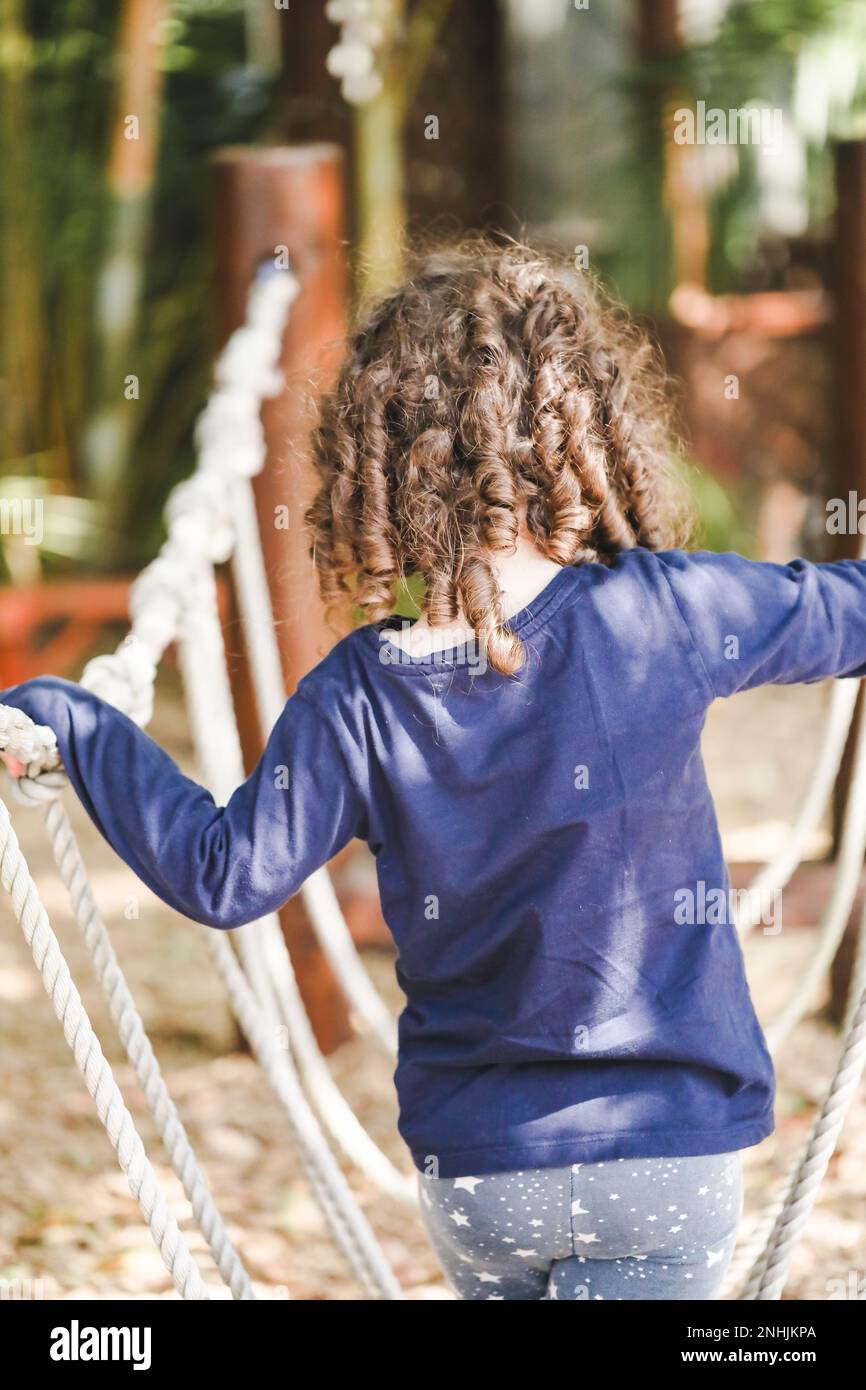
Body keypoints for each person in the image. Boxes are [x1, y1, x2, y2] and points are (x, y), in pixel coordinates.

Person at [5, 237, 866, 1300]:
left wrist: (76, 720)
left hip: (481, 1173)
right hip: (664, 1153)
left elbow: (221, 869)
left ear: (383, 462)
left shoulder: (361, 693)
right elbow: (850, 612)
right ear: (587, 430)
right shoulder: (672, 611)